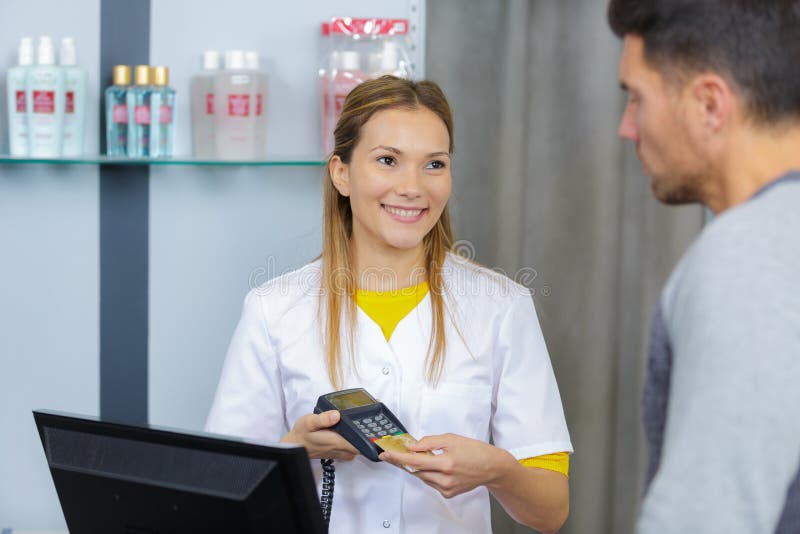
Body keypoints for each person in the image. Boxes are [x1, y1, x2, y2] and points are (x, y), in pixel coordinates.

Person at [205, 76, 572, 534]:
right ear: (341, 173)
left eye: (434, 164)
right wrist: (295, 449)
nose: (413, 187)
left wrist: (498, 470)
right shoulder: (273, 310)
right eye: (387, 161)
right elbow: (221, 494)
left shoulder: (502, 307)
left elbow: (551, 511)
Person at [607, 1, 800, 532]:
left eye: (636, 98)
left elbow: (708, 516)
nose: (628, 127)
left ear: (709, 105)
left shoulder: (748, 253)